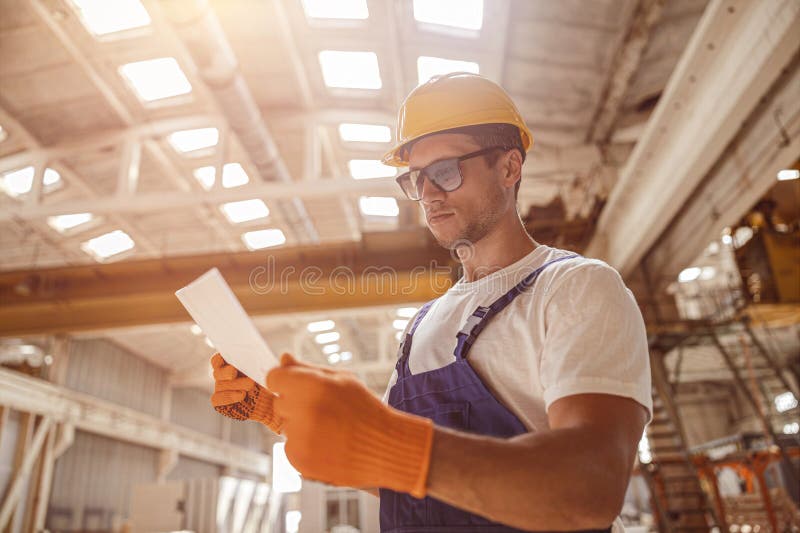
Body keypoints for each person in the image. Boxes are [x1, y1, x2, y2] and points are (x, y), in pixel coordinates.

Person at [210, 73, 652, 532]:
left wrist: (397, 447)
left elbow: (590, 487)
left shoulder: (573, 288)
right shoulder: (423, 324)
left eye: (445, 171)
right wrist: (277, 413)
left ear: (509, 167)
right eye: (416, 180)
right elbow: (399, 480)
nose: (428, 195)